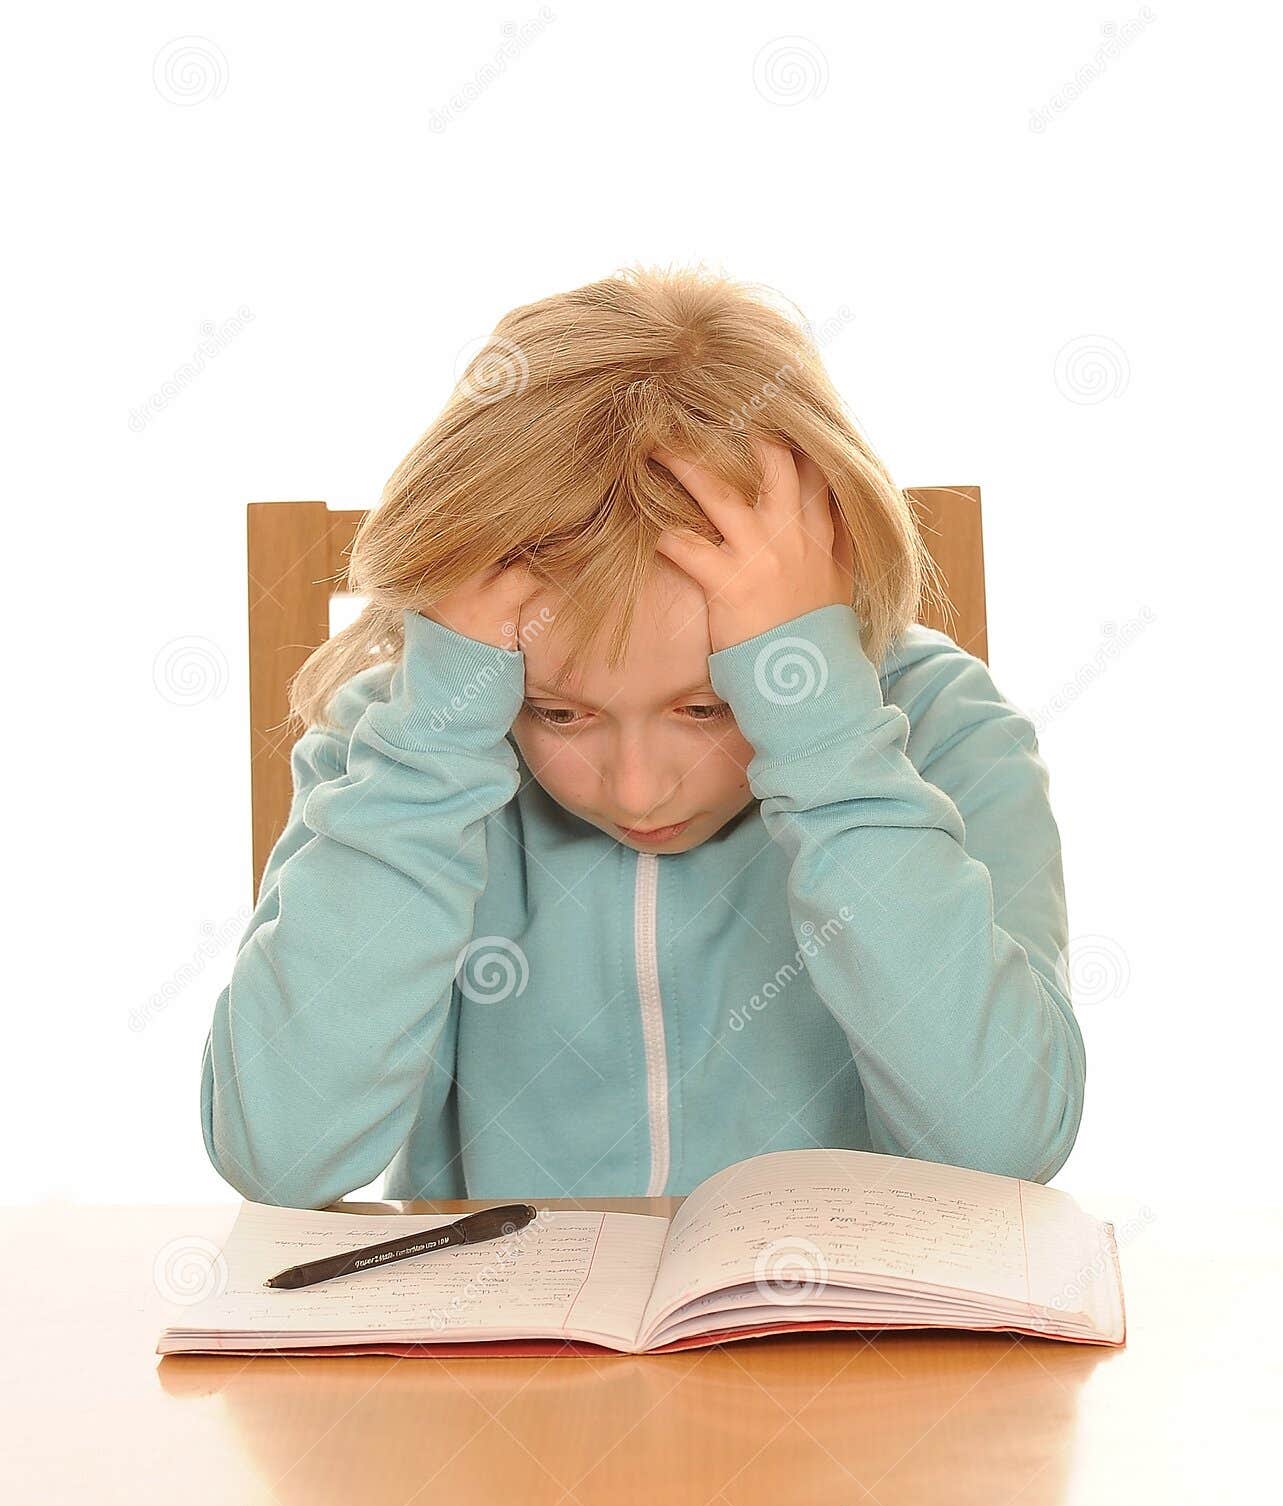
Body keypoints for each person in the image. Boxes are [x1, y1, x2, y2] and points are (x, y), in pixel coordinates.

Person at [201, 264, 1085, 1208]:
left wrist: (822, 731)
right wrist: (431, 744)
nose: (635, 790)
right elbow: (280, 1159)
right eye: (558, 712)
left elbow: (1002, 1148)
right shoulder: (401, 743)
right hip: (507, 1347)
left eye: (708, 709)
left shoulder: (939, 731)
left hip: (852, 1348)